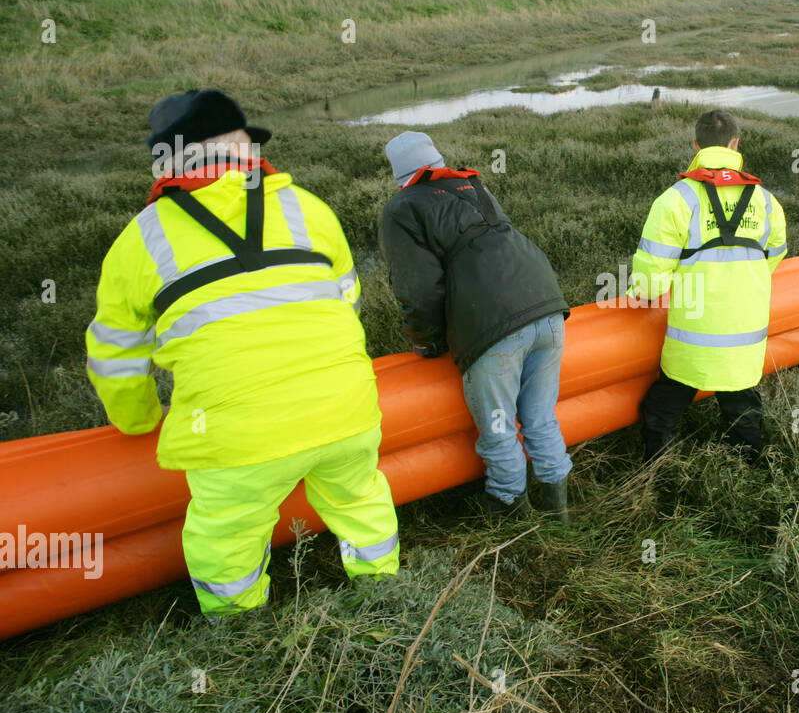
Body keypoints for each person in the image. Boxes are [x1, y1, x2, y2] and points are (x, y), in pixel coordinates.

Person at [85, 89, 399, 619]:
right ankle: (386, 598)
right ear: (244, 148)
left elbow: (115, 356)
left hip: (235, 440)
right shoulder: (309, 208)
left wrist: (139, 422)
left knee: (227, 534)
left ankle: (240, 633)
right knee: (361, 500)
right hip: (350, 412)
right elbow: (348, 301)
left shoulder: (141, 240)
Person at [379, 131, 573, 521]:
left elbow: (416, 289)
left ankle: (509, 514)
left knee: (499, 427)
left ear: (398, 173)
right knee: (540, 417)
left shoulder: (402, 208)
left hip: (495, 324)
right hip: (548, 306)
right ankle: (559, 516)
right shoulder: (474, 185)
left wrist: (428, 342)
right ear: (436, 159)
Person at [629, 109, 787, 465]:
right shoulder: (765, 200)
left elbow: (651, 279)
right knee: (741, 402)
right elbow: (773, 258)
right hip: (746, 333)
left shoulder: (676, 199)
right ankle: (749, 467)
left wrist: (642, 296)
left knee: (664, 405)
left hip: (693, 336)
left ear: (696, 145)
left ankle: (655, 470)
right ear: (736, 144)